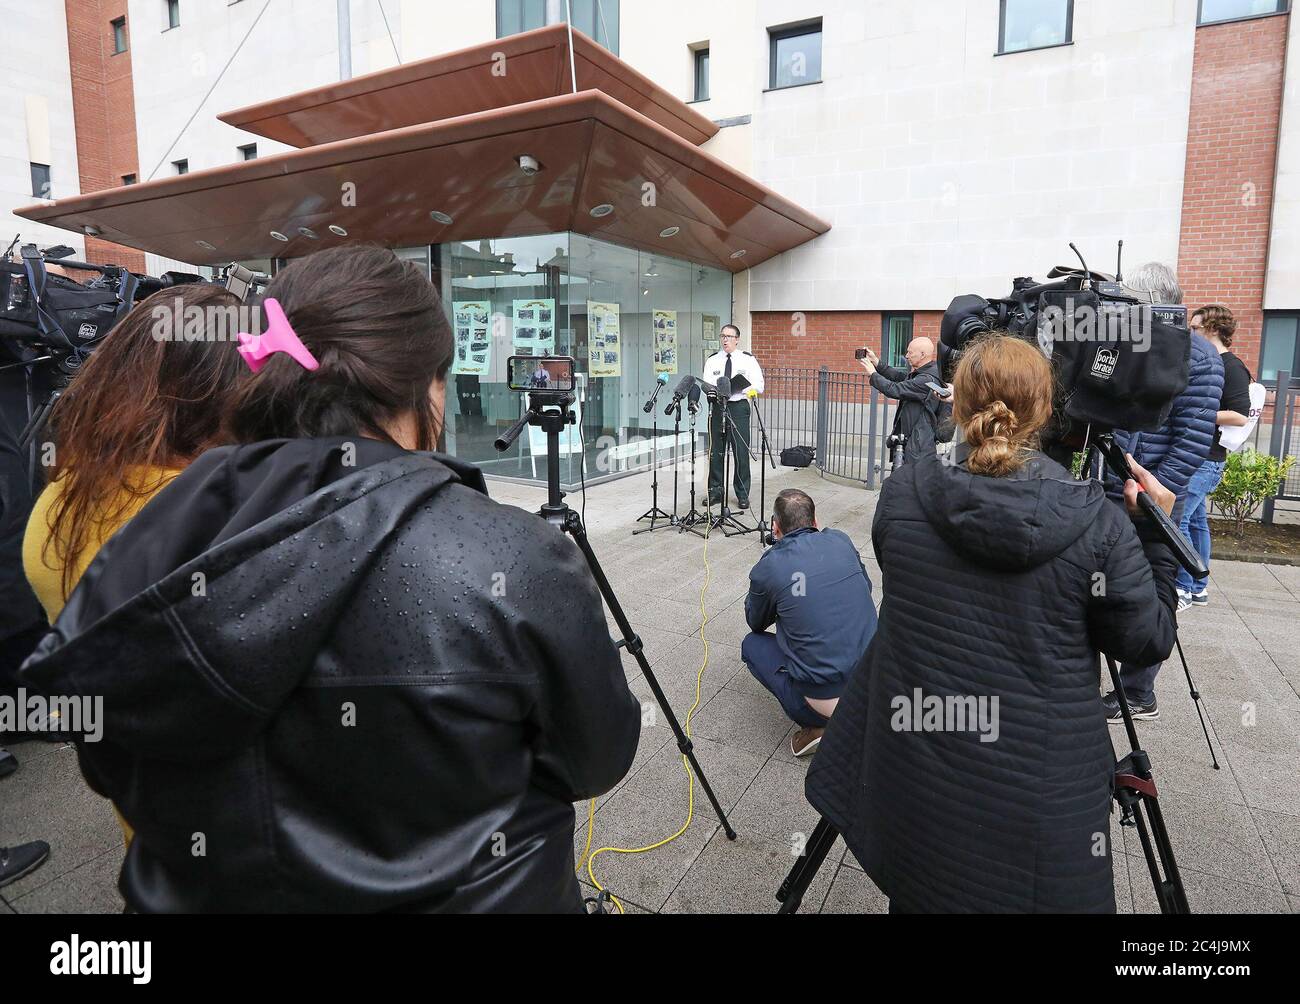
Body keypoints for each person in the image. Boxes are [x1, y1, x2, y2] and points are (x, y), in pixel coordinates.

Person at [21, 244, 640, 913]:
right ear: (425, 386)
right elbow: (594, 759)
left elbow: (108, 745)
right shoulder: (516, 554)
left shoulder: (144, 533)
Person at [805, 333, 1179, 913]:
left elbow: (899, 569)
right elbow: (1147, 640)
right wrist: (1155, 534)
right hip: (1039, 803)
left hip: (917, 779)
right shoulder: (1099, 523)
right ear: (1046, 412)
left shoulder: (905, 491)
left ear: (956, 405)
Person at [1102, 263, 1223, 722]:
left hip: (1156, 492)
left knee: (1151, 586)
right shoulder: (1136, 345)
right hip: (1118, 482)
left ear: (1154, 302)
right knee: (1110, 581)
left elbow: (1192, 436)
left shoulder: (1199, 357)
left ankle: (1137, 691)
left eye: (1131, 302)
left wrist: (1157, 491)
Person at [742, 488, 877, 757]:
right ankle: (857, 718)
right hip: (873, 683)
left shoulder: (771, 565)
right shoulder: (841, 540)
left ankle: (820, 725)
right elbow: (867, 587)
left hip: (823, 700)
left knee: (751, 645)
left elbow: (755, 622)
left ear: (775, 527)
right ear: (815, 522)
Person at [1177, 305, 1252, 610]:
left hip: (1207, 458)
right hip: (1202, 455)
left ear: (1212, 329)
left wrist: (1198, 411)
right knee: (1196, 523)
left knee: (1178, 520)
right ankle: (1198, 587)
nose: (1190, 333)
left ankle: (1182, 587)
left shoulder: (1231, 367)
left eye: (1195, 329)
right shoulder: (1210, 362)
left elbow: (1239, 415)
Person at [703, 324, 764, 509]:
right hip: (718, 408)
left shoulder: (747, 359)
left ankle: (742, 494)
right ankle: (715, 492)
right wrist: (711, 392)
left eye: (729, 336)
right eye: (723, 336)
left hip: (738, 407)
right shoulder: (713, 360)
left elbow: (759, 385)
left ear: (737, 339)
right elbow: (706, 383)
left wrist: (742, 388)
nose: (725, 340)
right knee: (716, 452)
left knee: (740, 452)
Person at [857, 337, 943, 463]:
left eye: (910, 352)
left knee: (909, 480)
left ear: (923, 354)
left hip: (916, 445)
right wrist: (876, 362)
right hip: (914, 440)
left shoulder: (926, 379)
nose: (906, 356)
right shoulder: (926, 372)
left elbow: (894, 389)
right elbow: (899, 377)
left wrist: (872, 373)